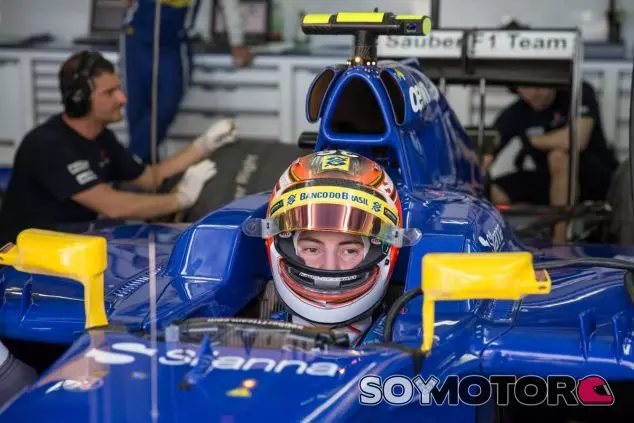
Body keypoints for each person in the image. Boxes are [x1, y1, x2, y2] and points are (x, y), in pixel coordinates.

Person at [0, 50, 237, 244]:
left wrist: (203, 145)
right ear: (79, 100)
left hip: (69, 239)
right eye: (110, 92)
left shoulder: (101, 137)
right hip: (24, 253)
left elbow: (150, 178)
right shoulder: (47, 145)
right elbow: (114, 206)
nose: (122, 99)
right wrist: (180, 200)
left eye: (119, 89)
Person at [243, 150, 421, 343]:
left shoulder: (414, 344)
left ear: (385, 249)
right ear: (280, 244)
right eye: (312, 249)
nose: (329, 265)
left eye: (349, 251)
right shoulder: (247, 341)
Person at [121, 0, 255, 164]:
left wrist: (237, 41)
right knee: (136, 110)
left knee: (165, 107)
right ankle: (143, 176)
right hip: (136, 38)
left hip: (174, 43)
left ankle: (130, 166)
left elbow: (229, 3)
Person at [484, 81, 618, 242]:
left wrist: (536, 141)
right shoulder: (516, 112)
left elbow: (577, 141)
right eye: (525, 88)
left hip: (593, 178)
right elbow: (486, 156)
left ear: (553, 83)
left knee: (558, 156)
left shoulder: (578, 93)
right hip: (548, 181)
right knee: (492, 189)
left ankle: (560, 241)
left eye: (539, 87)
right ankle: (503, 240)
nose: (532, 94)